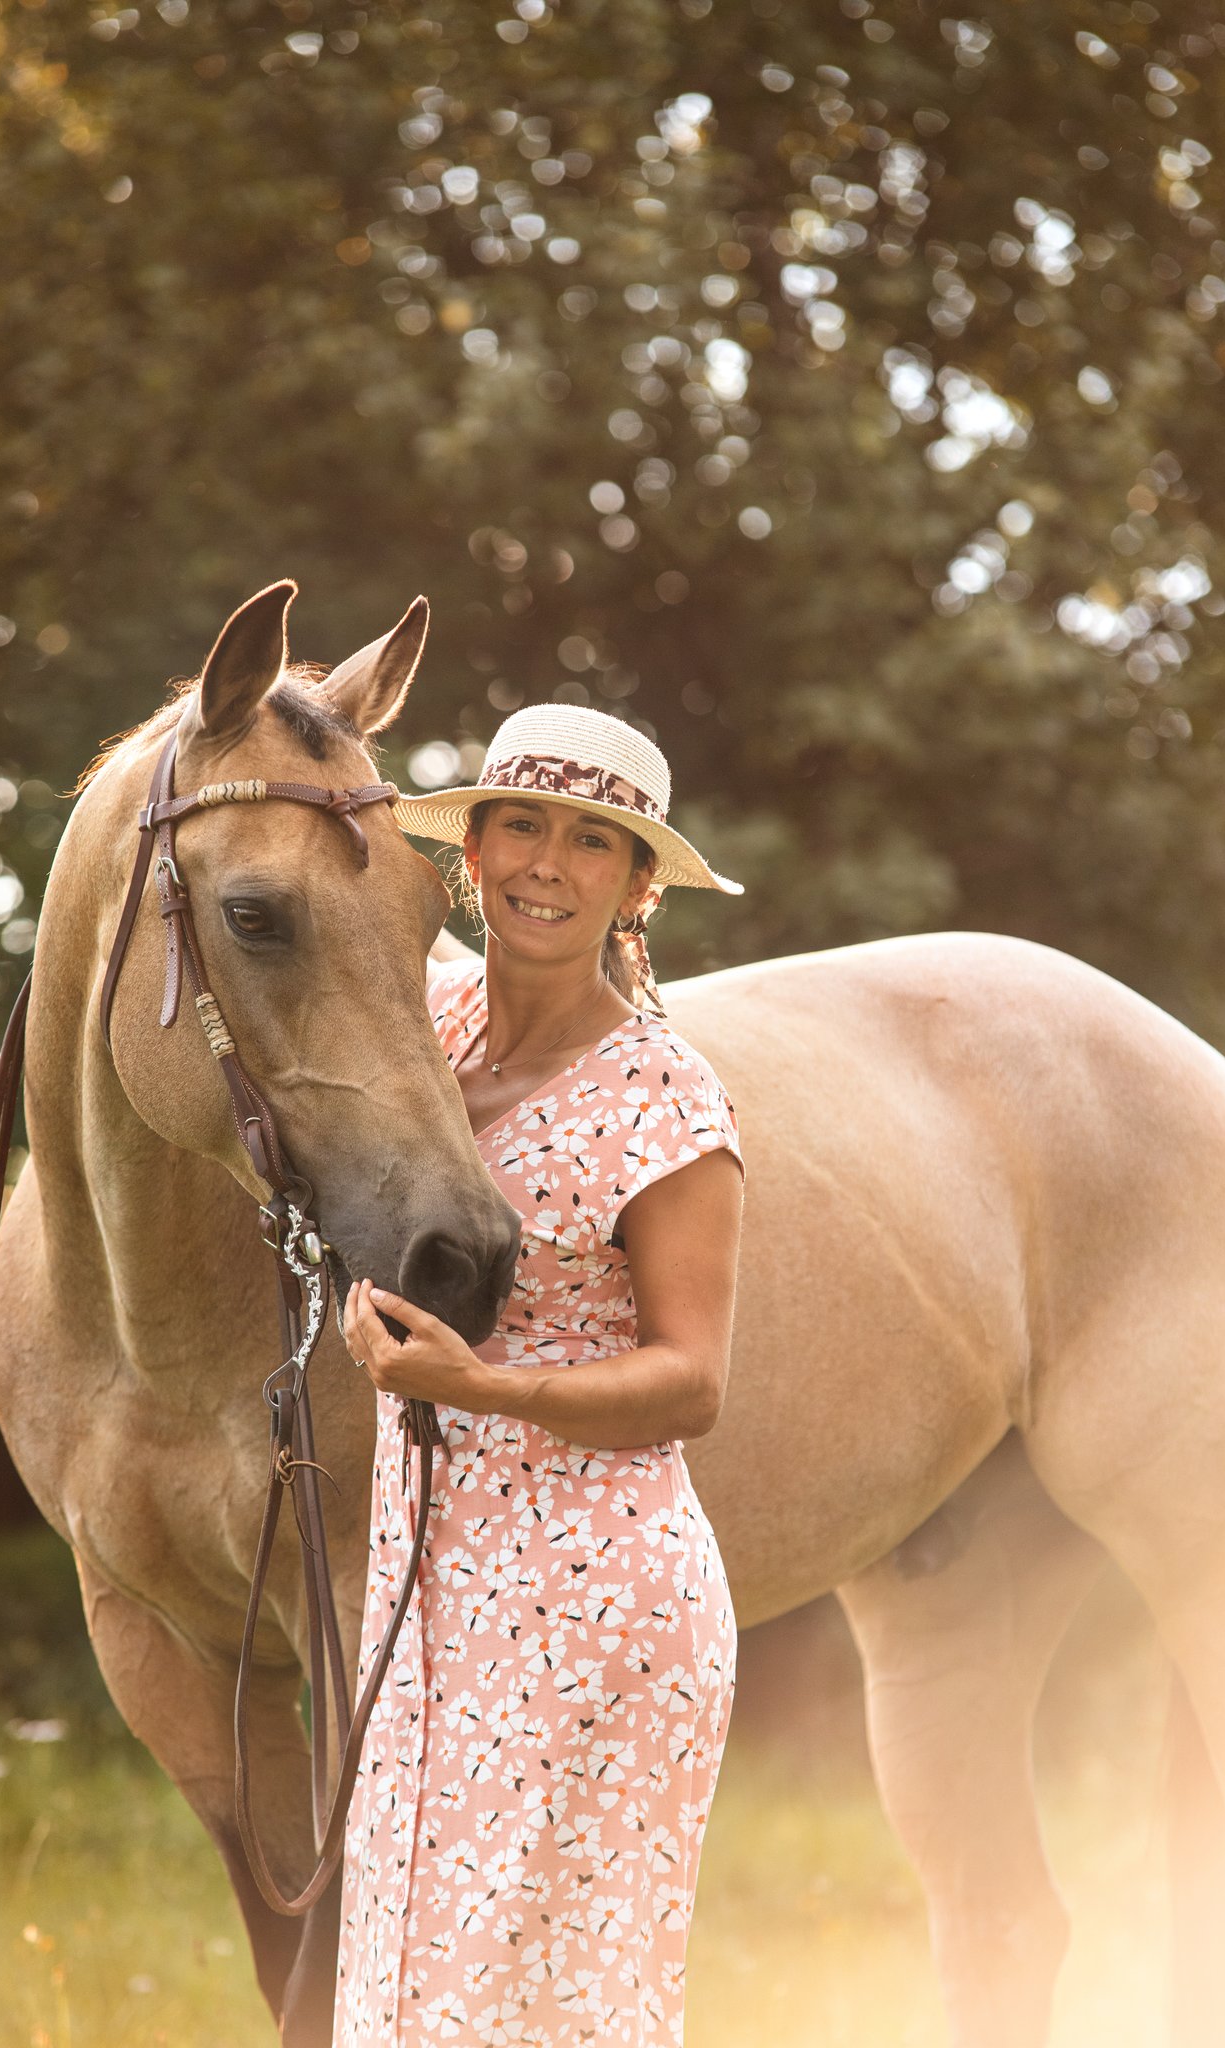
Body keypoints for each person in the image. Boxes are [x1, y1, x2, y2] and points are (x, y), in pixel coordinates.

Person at [333, 702, 746, 2047]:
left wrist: (483, 1390)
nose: (544, 865)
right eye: (520, 825)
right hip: (430, 1597)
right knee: (405, 1985)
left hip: (596, 1616)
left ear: (637, 890)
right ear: (470, 851)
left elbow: (690, 1382)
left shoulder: (665, 1101)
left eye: (592, 841)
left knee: (538, 2008)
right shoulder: (423, 1040)